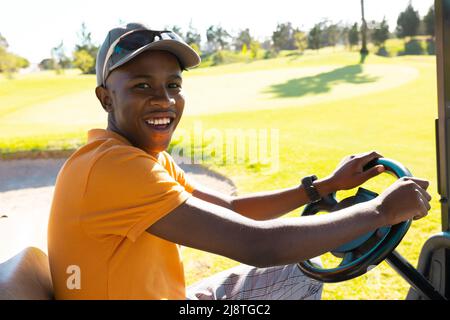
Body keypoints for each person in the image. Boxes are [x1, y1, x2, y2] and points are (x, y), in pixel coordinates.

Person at [47, 22, 432, 300]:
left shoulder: (140, 159)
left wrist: (323, 187)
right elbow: (254, 244)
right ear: (105, 98)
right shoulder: (112, 168)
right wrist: (381, 210)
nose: (164, 99)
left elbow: (233, 209)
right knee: (289, 263)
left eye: (173, 85)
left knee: (297, 269)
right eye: (141, 85)